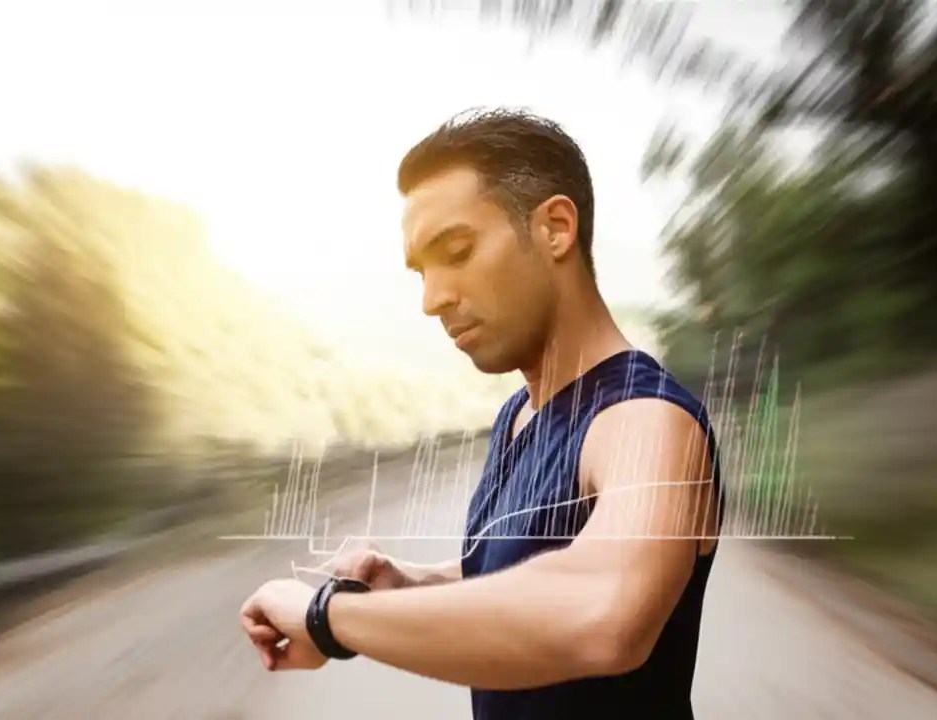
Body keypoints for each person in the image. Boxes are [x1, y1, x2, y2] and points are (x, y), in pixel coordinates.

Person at [239, 107, 723, 719]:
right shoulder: (519, 415)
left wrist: (329, 620)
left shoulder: (647, 420)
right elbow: (524, 568)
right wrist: (407, 586)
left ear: (554, 227)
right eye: (422, 271)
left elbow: (604, 612)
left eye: (457, 251)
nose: (432, 298)